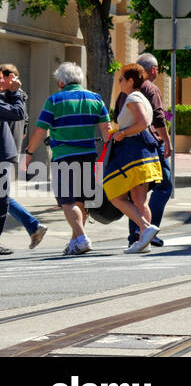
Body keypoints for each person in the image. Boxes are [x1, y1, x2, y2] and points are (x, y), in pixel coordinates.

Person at [26, 62, 110, 256]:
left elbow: (40, 131)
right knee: (81, 201)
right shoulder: (95, 98)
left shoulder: (55, 100)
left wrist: (29, 153)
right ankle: (75, 242)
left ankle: (81, 238)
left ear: (61, 82)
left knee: (68, 201)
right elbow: (107, 130)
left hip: (64, 157)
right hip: (89, 155)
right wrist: (109, 154)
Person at [102, 64, 164, 253]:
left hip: (134, 154)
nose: (119, 82)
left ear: (130, 81)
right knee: (139, 199)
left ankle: (145, 228)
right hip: (144, 152)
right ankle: (143, 239)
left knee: (115, 194)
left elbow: (143, 122)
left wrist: (123, 133)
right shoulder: (141, 98)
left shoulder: (133, 97)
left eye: (121, 79)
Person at [124, 54, 172, 250]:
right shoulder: (151, 88)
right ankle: (149, 230)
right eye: (157, 69)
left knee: (138, 192)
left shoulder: (127, 89)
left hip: (130, 145)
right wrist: (167, 142)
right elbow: (159, 118)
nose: (158, 72)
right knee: (165, 186)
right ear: (152, 70)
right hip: (151, 144)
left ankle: (137, 232)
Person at [0, 64, 47, 252]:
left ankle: (33, 225)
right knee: (2, 198)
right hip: (6, 152)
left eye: (2, 77)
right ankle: (33, 226)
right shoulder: (15, 97)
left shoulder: (16, 97)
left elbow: (20, 120)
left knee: (2, 199)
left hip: (5, 153)